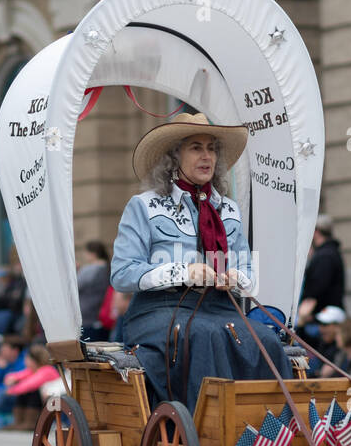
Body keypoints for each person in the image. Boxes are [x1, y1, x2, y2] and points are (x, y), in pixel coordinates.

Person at [110, 112, 291, 412]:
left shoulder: (229, 209)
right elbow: (122, 273)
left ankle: (273, 434)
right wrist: (183, 271)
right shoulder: (143, 206)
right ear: (173, 156)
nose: (207, 156)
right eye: (196, 147)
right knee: (204, 337)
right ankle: (211, 437)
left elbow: (248, 272)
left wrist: (235, 278)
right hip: (160, 311)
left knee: (267, 341)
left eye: (212, 148)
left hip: (220, 308)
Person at [298, 214, 345, 325]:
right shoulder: (330, 252)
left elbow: (316, 288)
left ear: (316, 231)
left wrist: (304, 314)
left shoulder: (324, 256)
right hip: (324, 315)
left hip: (321, 319)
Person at [77, 240, 111, 341]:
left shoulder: (89, 270)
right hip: (104, 317)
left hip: (87, 317)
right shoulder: (109, 268)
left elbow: (75, 288)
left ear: (92, 254)